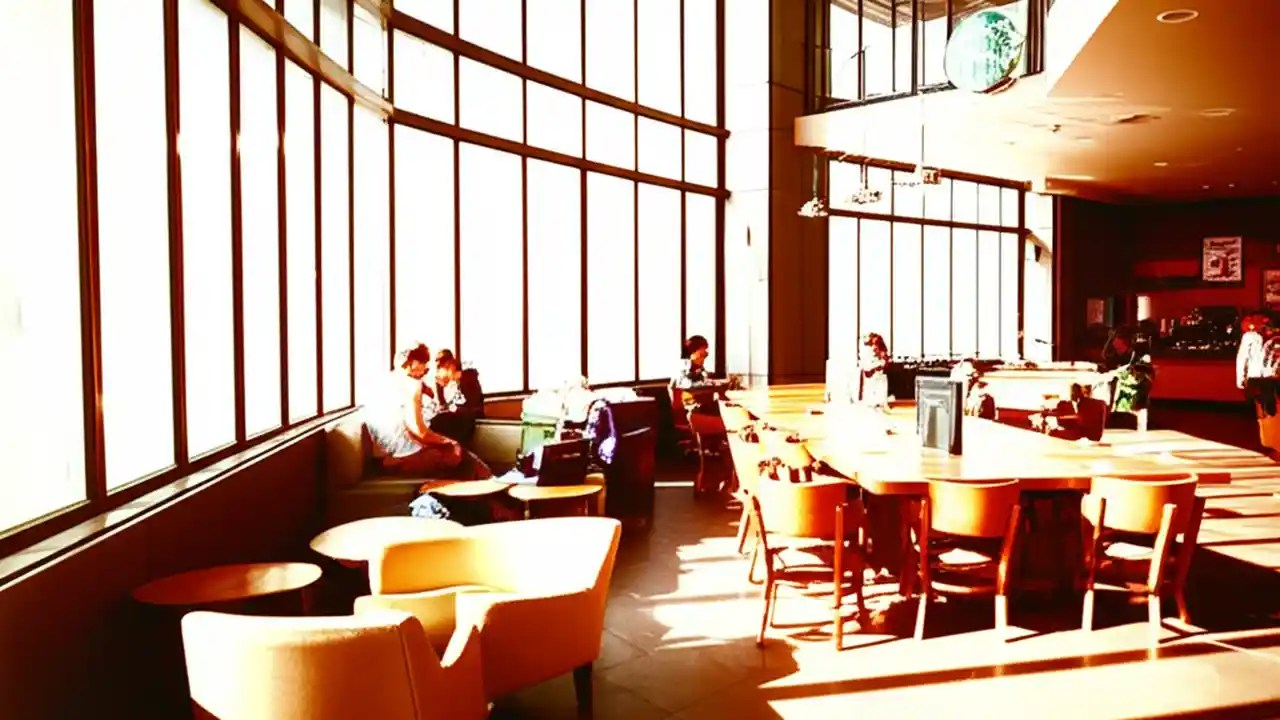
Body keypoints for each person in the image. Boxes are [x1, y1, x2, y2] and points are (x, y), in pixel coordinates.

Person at [364, 343, 490, 478]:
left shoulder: (384, 382)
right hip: (404, 457)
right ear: (413, 363)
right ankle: (489, 488)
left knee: (457, 454)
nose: (426, 369)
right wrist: (449, 442)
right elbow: (418, 431)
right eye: (424, 363)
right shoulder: (412, 385)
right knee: (464, 459)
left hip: (382, 457)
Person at [429, 349, 485, 444]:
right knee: (434, 422)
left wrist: (453, 410)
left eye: (442, 368)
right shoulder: (441, 384)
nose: (439, 373)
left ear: (451, 366)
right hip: (454, 420)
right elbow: (442, 405)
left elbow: (474, 407)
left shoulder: (469, 379)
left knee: (440, 422)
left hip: (470, 419)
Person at [1034, 383, 1108, 442]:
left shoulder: (1086, 403)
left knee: (1053, 432)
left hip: (1085, 432)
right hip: (1086, 431)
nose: (1072, 394)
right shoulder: (1096, 403)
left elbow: (1073, 416)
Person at [857, 332, 890, 407]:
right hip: (872, 375)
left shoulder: (881, 354)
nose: (873, 348)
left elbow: (884, 362)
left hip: (878, 376)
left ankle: (878, 401)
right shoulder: (868, 353)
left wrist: (879, 366)